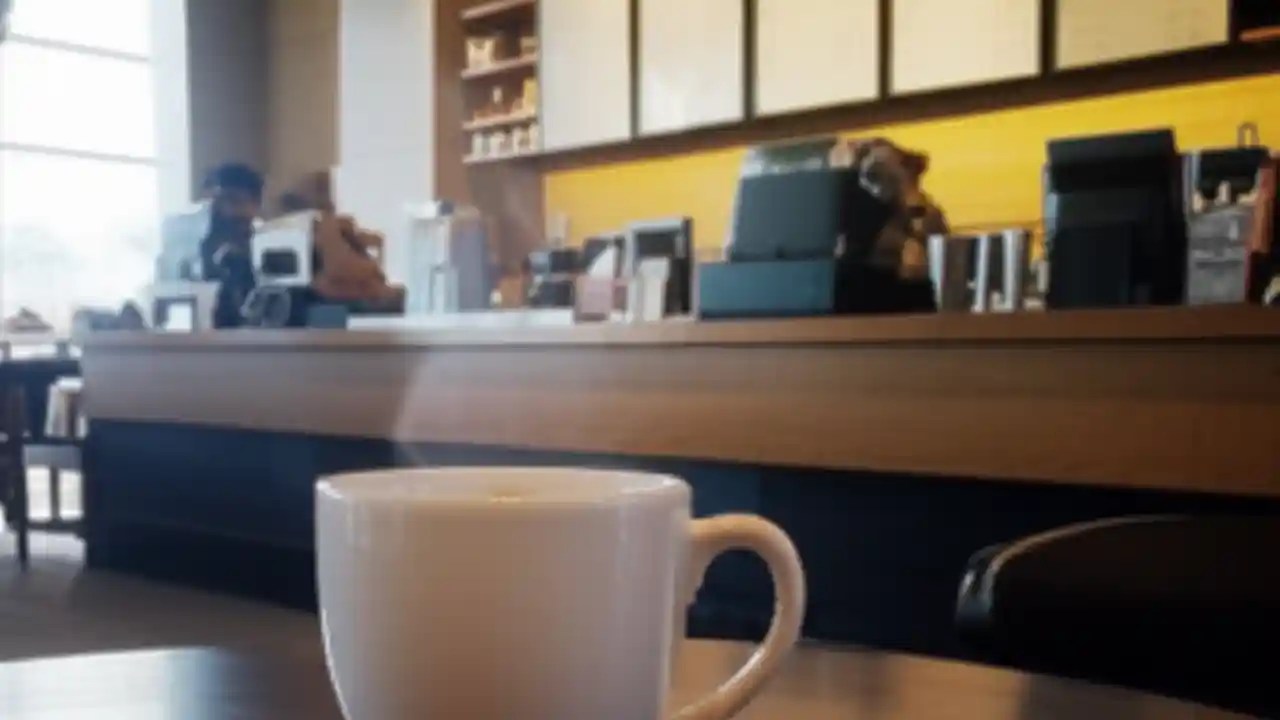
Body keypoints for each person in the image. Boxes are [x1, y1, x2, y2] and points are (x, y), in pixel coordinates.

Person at [200, 163, 264, 328]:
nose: (226, 210)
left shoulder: (267, 252)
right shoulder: (202, 249)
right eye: (218, 202)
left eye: (234, 201)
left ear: (255, 205)